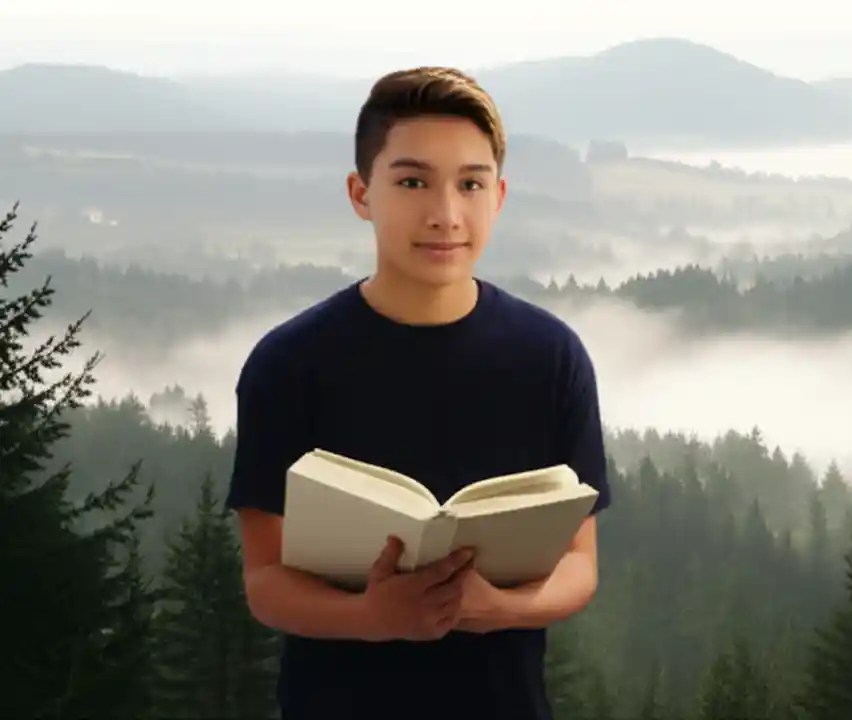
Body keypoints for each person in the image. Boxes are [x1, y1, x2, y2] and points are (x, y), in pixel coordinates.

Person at [225, 66, 611, 719]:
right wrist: (370, 617)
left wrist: (499, 609)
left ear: (500, 195)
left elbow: (580, 565)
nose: (445, 214)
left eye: (470, 184)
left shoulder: (552, 358)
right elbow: (265, 582)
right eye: (412, 181)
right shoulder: (287, 364)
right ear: (360, 192)